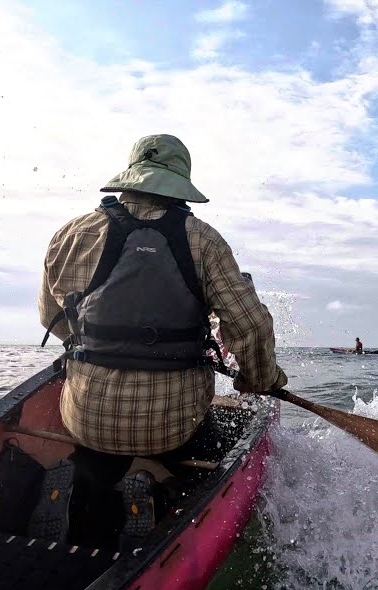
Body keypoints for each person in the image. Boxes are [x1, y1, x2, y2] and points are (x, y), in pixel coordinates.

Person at [38, 134, 287, 546]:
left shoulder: (72, 233)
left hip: (85, 416)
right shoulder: (203, 240)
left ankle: (84, 492)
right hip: (173, 427)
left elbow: (52, 318)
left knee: (100, 448)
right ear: (179, 184)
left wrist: (104, 350)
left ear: (130, 176)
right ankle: (166, 494)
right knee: (207, 450)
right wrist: (259, 380)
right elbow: (252, 327)